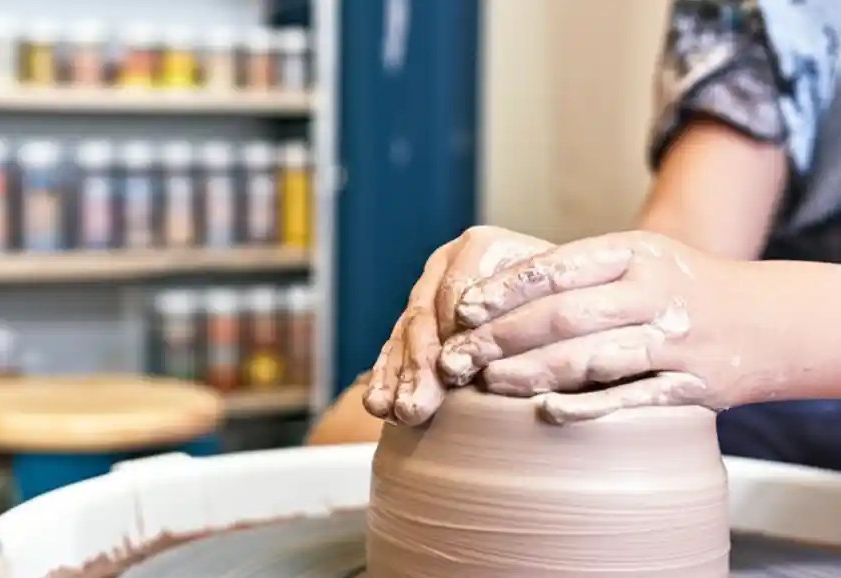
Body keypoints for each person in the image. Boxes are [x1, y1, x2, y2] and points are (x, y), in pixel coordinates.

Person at [312, 0, 841, 469]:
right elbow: (693, 238)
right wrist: (568, 302)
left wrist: (752, 313)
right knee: (357, 434)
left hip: (788, 366)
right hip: (768, 401)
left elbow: (738, 320)